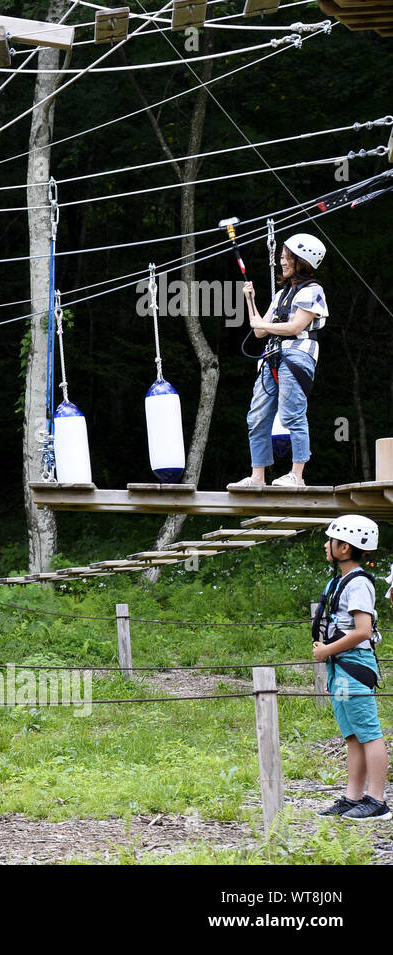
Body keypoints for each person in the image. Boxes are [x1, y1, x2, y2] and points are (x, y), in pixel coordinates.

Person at [230, 233, 328, 489]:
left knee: (292, 415)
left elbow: (296, 326)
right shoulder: (281, 295)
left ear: (301, 261)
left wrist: (264, 324)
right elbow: (260, 330)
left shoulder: (313, 290)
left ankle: (297, 475)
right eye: (282, 257)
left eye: (287, 258)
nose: (282, 262)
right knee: (257, 416)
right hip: (272, 356)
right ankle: (257, 476)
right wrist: (250, 301)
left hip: (296, 355)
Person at [312, 515, 389, 822]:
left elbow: (362, 630)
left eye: (330, 540)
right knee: (352, 735)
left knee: (369, 732)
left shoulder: (358, 583)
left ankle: (377, 800)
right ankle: (353, 797)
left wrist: (326, 650)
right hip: (340, 668)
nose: (325, 545)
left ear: (344, 548)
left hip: (353, 666)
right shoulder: (340, 581)